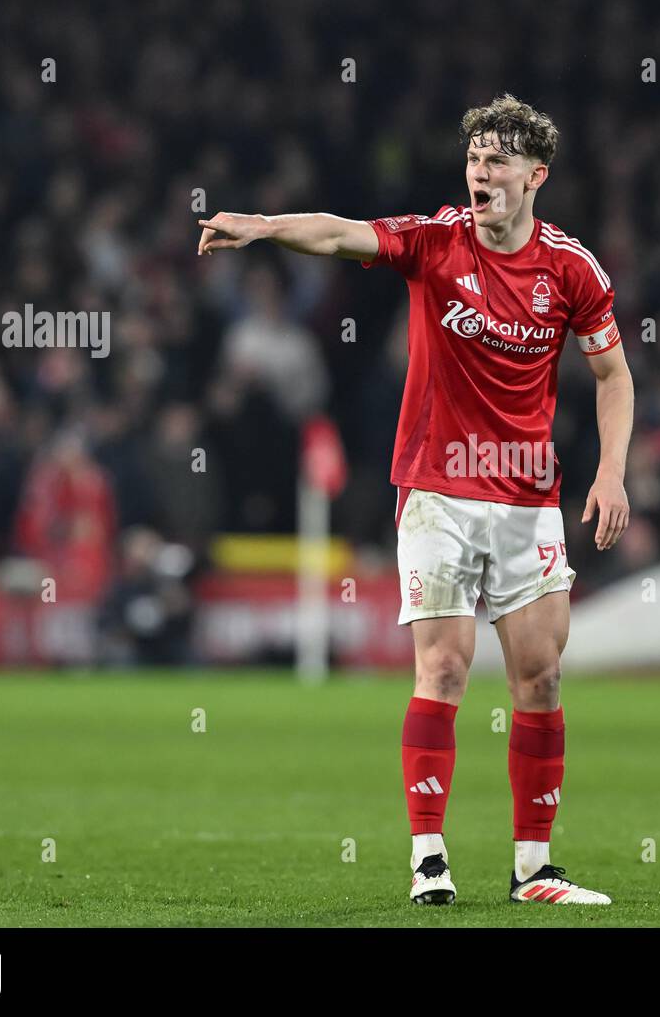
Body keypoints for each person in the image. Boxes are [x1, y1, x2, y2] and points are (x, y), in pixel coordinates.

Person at [195, 94, 633, 906]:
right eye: (474, 158)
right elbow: (339, 231)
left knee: (540, 679)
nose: (481, 172)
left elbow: (613, 375)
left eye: (499, 159)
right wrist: (262, 225)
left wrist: (611, 472)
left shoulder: (573, 269)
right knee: (445, 667)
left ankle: (534, 871)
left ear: (536, 175)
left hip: (530, 495)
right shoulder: (437, 243)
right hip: (436, 487)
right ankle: (428, 857)